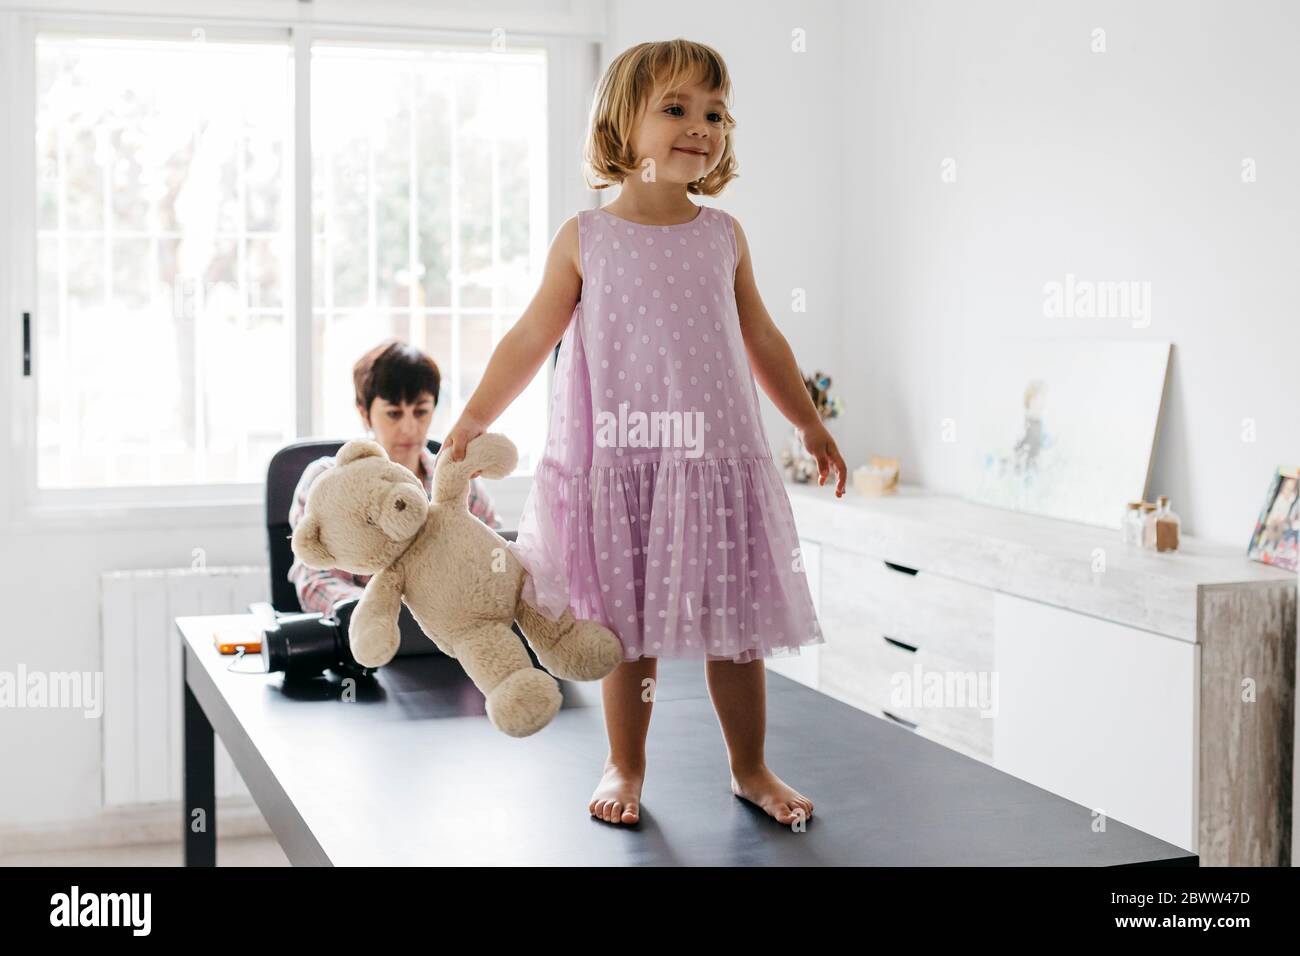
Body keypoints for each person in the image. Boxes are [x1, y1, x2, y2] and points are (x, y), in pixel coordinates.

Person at [441, 39, 846, 828]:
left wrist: (809, 422)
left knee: (738, 632)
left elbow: (762, 338)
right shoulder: (586, 237)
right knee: (625, 633)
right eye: (676, 108)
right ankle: (624, 766)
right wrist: (473, 418)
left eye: (715, 113)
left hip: (716, 464)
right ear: (621, 124)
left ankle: (751, 768)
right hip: (626, 463)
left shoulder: (723, 236)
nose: (700, 126)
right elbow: (531, 337)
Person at [287, 339, 502, 616]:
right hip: (359, 638)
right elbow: (313, 578)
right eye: (394, 413)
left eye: (421, 411)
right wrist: (378, 612)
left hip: (445, 640)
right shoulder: (325, 481)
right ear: (364, 413)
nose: (410, 427)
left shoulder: (462, 487)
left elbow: (495, 560)